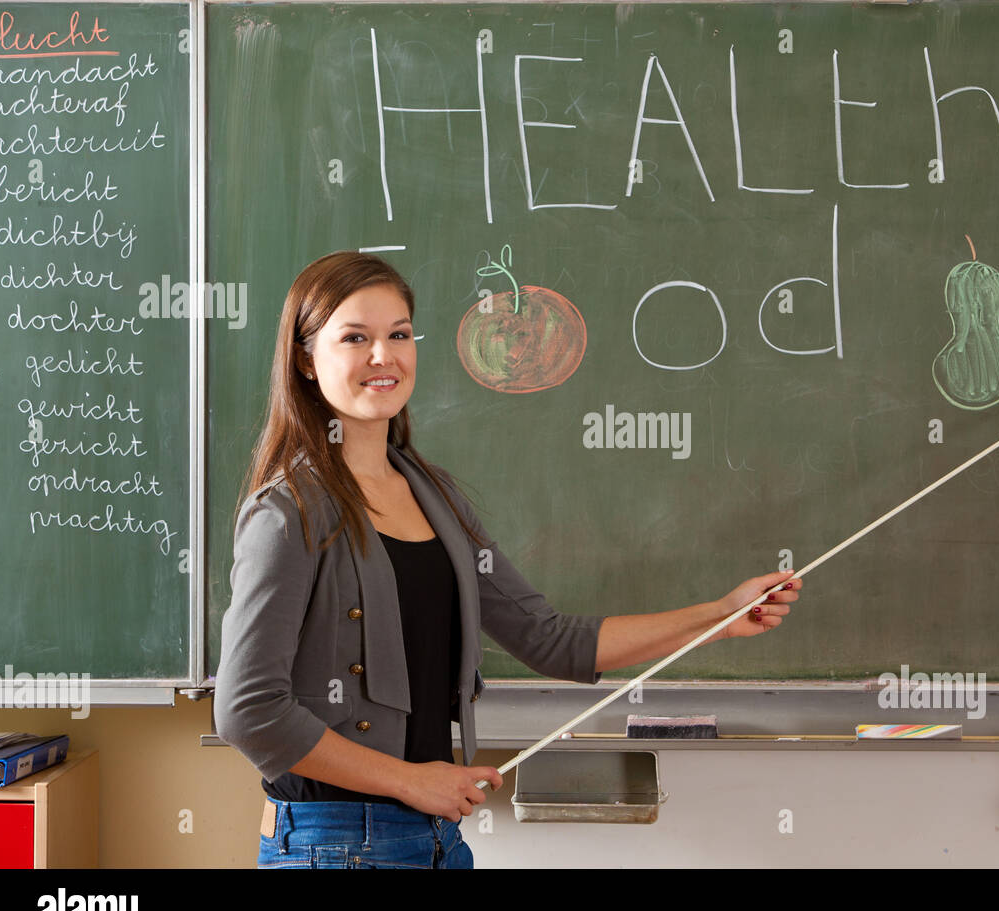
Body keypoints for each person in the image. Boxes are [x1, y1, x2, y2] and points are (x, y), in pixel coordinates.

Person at [214, 250, 802, 868]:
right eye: (355, 338)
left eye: (399, 335)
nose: (383, 356)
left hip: (435, 840)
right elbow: (247, 711)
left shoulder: (433, 497)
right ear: (307, 361)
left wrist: (719, 615)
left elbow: (549, 640)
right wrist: (408, 780)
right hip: (334, 844)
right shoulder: (287, 514)